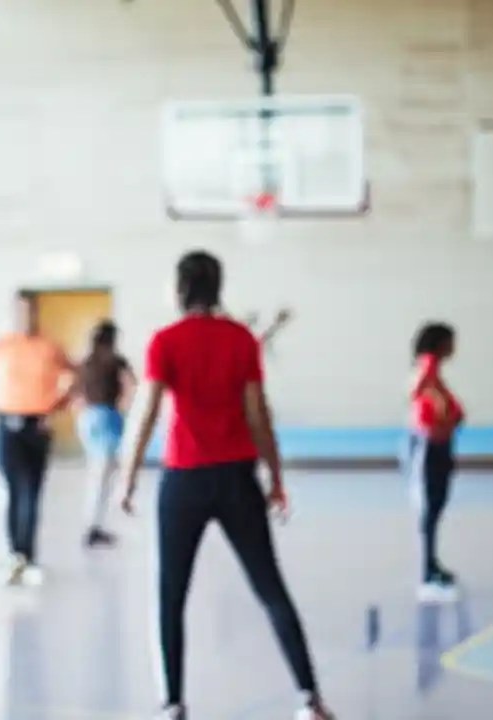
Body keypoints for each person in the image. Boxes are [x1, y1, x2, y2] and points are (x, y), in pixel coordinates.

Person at [121, 251, 333, 720]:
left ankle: (173, 704)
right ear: (218, 288)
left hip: (184, 480)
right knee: (270, 588)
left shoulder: (165, 341)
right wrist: (274, 477)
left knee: (170, 596)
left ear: (179, 290)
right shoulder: (240, 340)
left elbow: (148, 411)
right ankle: (310, 699)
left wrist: (128, 476)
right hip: (238, 476)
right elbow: (259, 414)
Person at [0, 294, 77, 585]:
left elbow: (74, 378)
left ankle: (28, 556)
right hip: (6, 423)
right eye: (18, 313)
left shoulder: (49, 346)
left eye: (28, 312)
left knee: (31, 492)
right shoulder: (0, 344)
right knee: (14, 491)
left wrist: (56, 405)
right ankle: (15, 555)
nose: (23, 318)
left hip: (37, 425)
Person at [405, 322, 464, 602]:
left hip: (440, 446)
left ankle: (432, 563)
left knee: (436, 505)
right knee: (430, 507)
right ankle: (426, 570)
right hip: (429, 446)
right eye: (451, 342)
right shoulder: (427, 366)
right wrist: (441, 404)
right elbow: (418, 391)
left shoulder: (434, 372)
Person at [73, 319, 135, 548]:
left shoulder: (86, 362)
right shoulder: (116, 361)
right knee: (102, 475)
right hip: (107, 416)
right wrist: (124, 405)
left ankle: (94, 522)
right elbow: (132, 383)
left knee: (97, 472)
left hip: (88, 417)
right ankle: (93, 525)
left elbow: (74, 390)